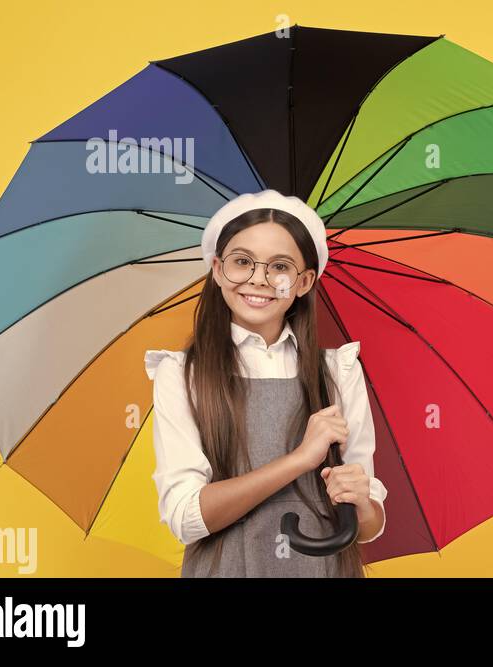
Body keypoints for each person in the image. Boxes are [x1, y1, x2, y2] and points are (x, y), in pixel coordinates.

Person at [143, 190, 386, 577]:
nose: (259, 279)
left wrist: (360, 501)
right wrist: (299, 460)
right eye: (243, 262)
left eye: (280, 267)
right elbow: (187, 517)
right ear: (218, 269)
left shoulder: (338, 371)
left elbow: (366, 528)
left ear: (304, 281)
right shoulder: (182, 374)